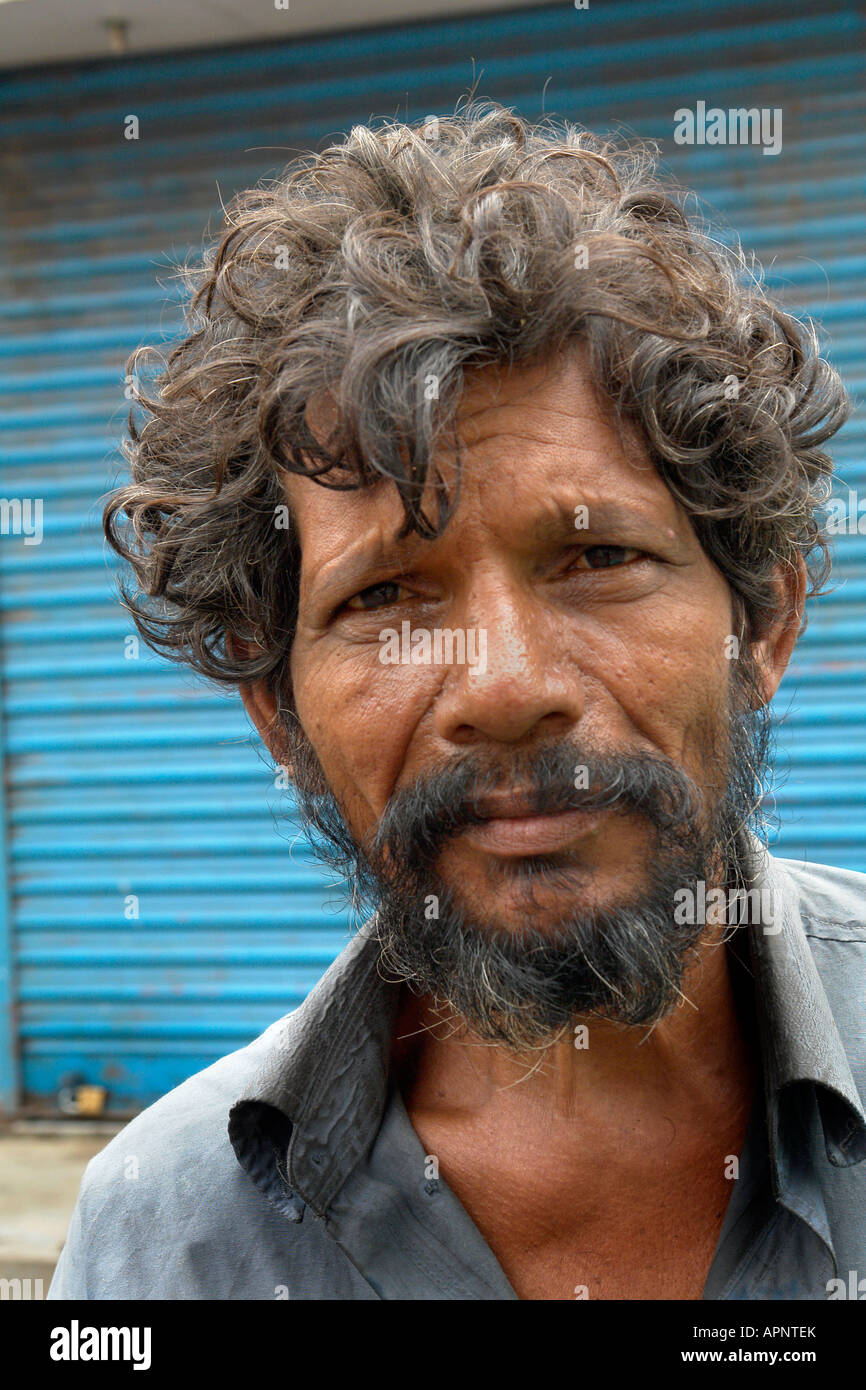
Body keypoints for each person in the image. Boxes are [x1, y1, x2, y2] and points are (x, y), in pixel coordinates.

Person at [49, 102, 865, 1301]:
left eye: (596, 560)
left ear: (762, 622)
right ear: (279, 714)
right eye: (383, 595)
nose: (504, 687)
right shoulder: (166, 1246)